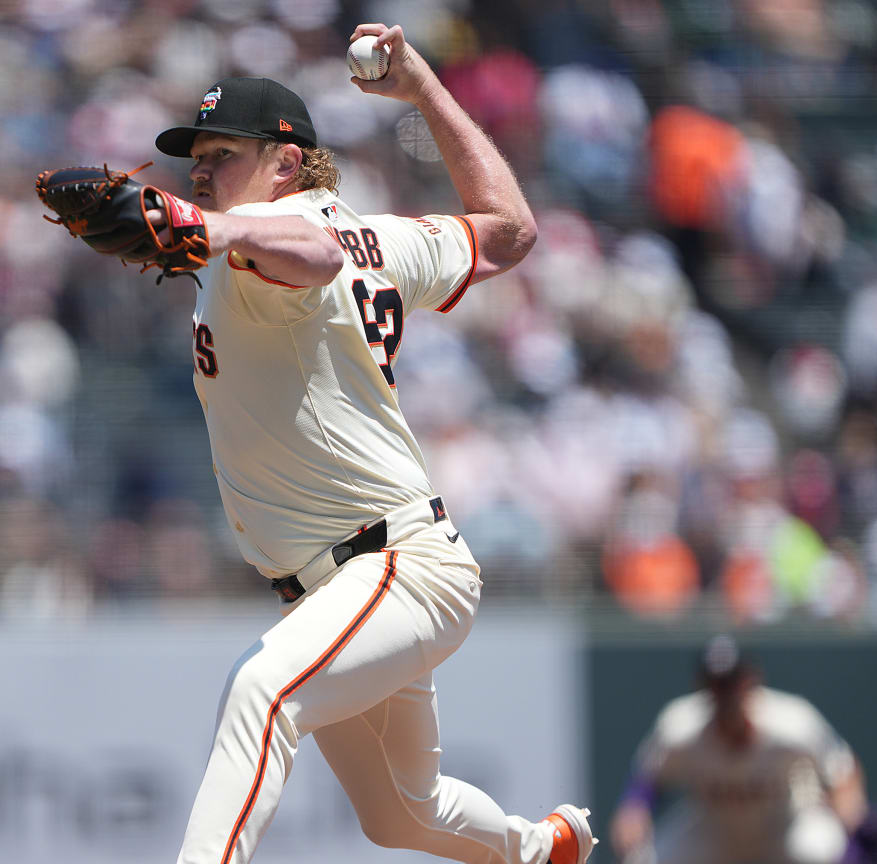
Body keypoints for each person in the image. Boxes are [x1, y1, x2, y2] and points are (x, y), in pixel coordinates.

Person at [143, 22, 596, 864]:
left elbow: (309, 256)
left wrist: (222, 230)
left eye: (223, 153)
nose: (200, 171)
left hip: (396, 564)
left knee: (261, 695)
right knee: (400, 815)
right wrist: (422, 88)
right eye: (194, 157)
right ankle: (542, 849)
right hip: (345, 583)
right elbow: (507, 228)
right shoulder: (380, 237)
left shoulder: (273, 238)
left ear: (286, 163)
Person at [609, 635, 876, 864]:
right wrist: (634, 810)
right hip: (713, 829)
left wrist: (849, 812)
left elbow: (842, 770)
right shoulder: (681, 727)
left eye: (732, 682)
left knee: (824, 850)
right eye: (717, 683)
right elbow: (647, 781)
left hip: (783, 826)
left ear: (750, 681)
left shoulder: (791, 723)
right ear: (704, 687)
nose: (726, 693)